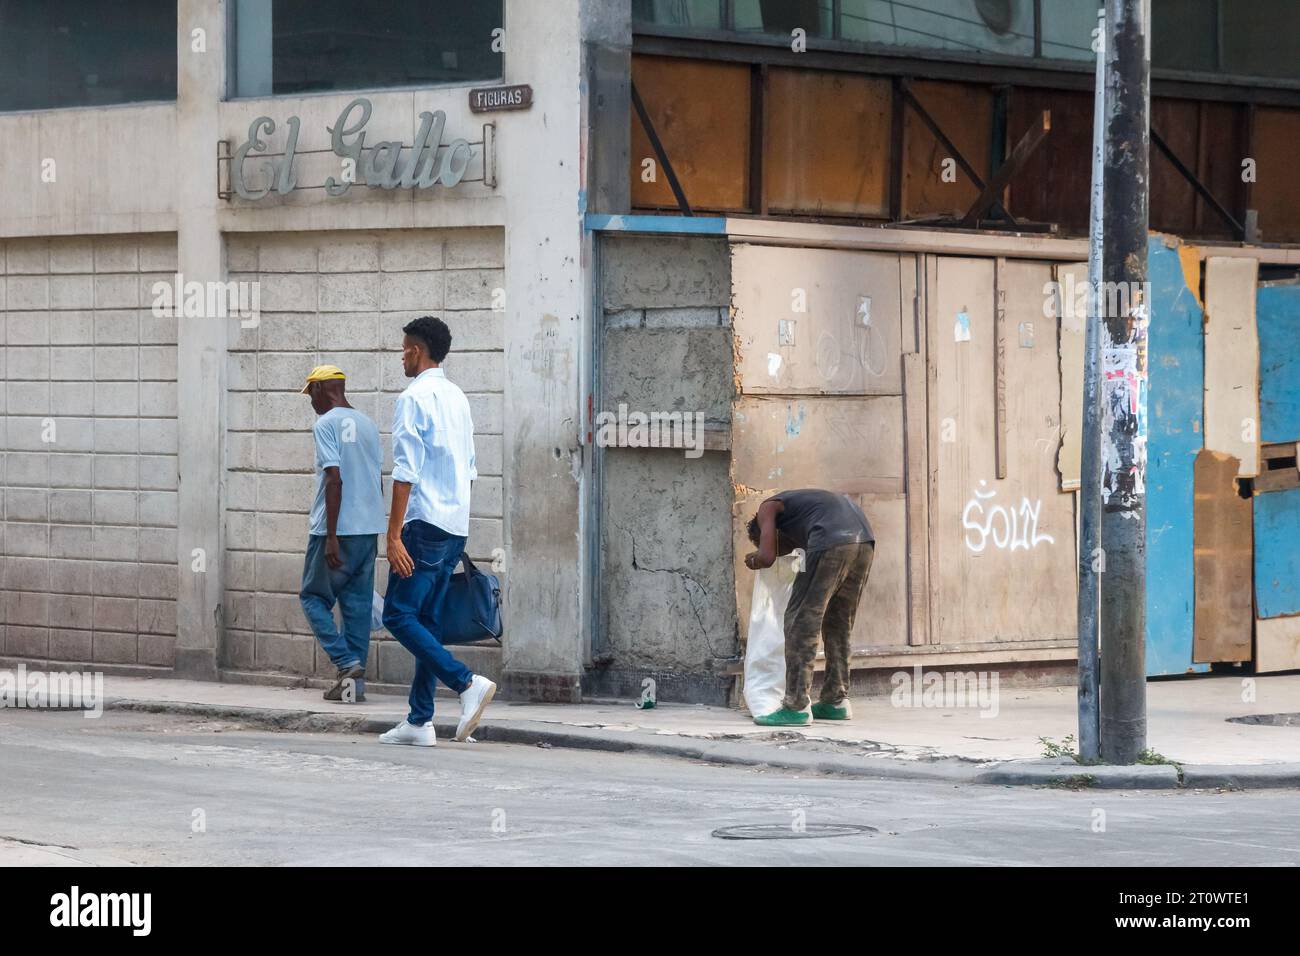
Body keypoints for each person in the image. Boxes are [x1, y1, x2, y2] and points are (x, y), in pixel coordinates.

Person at [379, 316, 497, 747]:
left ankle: (466, 683)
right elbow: (470, 469)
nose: (402, 356)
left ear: (417, 349)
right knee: (426, 619)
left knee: (397, 614)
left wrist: (392, 536)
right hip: (454, 525)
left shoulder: (414, 398)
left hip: (424, 524)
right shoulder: (457, 397)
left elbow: (405, 472)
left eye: (405, 348)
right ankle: (419, 721)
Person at [744, 489, 875, 727]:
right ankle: (836, 701)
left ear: (772, 532)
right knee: (838, 624)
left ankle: (796, 706)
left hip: (831, 540)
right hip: (864, 541)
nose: (786, 552)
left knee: (800, 622)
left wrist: (754, 559)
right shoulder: (805, 509)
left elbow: (767, 557)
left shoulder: (767, 508)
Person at [298, 365, 386, 702]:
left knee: (312, 598)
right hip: (368, 530)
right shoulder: (367, 424)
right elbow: (376, 478)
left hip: (334, 531)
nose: (311, 403)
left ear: (321, 389)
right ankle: (352, 690)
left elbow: (333, 478)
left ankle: (345, 660)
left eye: (311, 395)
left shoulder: (325, 424)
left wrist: (332, 536)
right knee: (357, 608)